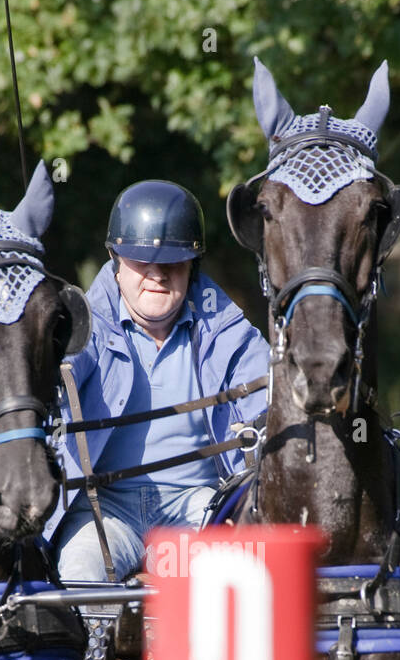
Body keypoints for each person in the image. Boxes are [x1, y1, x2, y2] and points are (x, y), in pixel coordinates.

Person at [45, 179, 269, 581]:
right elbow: (62, 366)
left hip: (200, 504)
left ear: (192, 265)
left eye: (172, 263)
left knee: (238, 570)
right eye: (140, 262)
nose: (157, 275)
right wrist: (49, 375)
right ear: (115, 260)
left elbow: (271, 395)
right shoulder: (85, 323)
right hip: (104, 508)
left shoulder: (226, 328)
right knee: (79, 572)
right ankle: (93, 646)